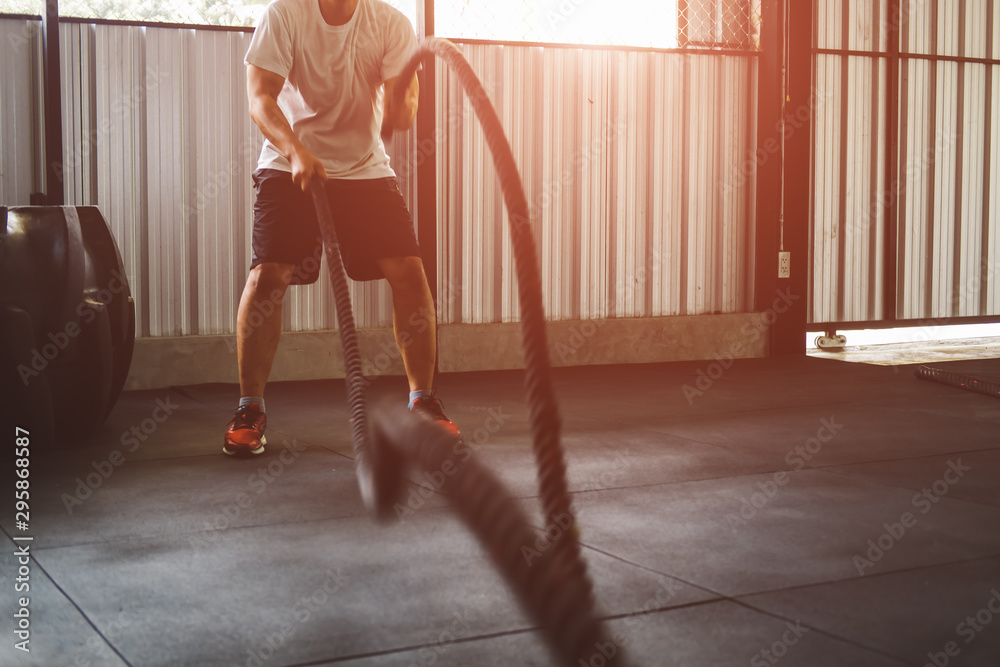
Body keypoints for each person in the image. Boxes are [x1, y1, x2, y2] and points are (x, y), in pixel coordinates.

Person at [224, 0, 457, 456]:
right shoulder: (284, 14)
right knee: (268, 275)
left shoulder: (390, 23)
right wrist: (295, 152)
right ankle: (249, 409)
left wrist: (402, 105)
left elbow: (406, 107)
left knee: (409, 270)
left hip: (364, 167)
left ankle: (423, 401)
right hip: (289, 161)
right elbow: (261, 98)